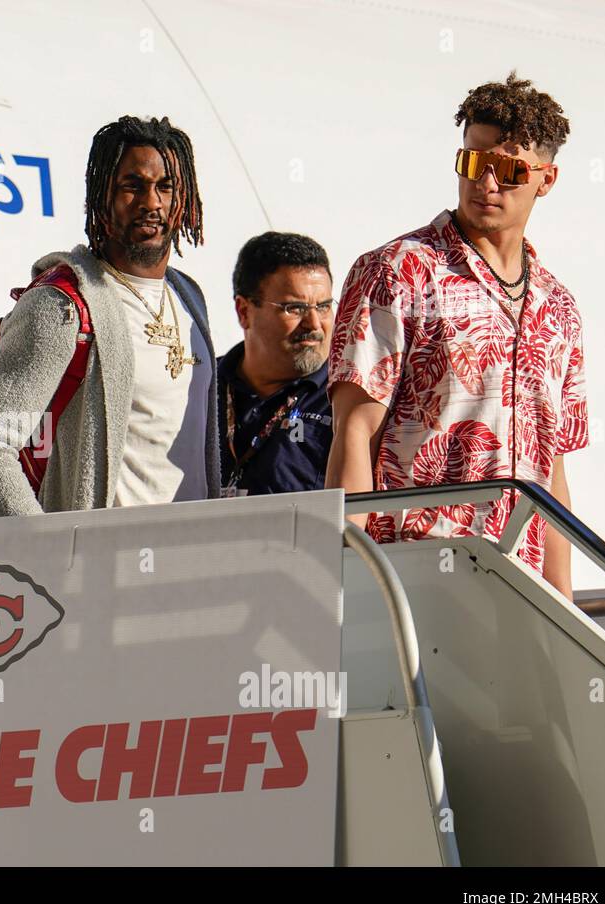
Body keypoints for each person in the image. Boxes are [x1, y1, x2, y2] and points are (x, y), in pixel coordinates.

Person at [327, 72, 586, 598]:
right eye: (473, 162)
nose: (487, 184)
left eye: (510, 169)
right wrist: (353, 589)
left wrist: (565, 604)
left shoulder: (559, 308)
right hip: (415, 579)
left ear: (547, 179)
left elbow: (552, 469)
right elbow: (354, 432)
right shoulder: (396, 271)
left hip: (524, 589)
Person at [0, 115, 219, 516]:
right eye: (132, 186)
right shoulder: (62, 305)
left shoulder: (188, 296)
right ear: (102, 197)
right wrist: (49, 549)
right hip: (107, 569)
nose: (152, 203)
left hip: (196, 560)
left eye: (166, 186)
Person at [216, 232, 334, 497]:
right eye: (295, 308)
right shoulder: (196, 385)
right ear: (244, 311)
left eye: (324, 307)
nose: (314, 324)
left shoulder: (348, 394)